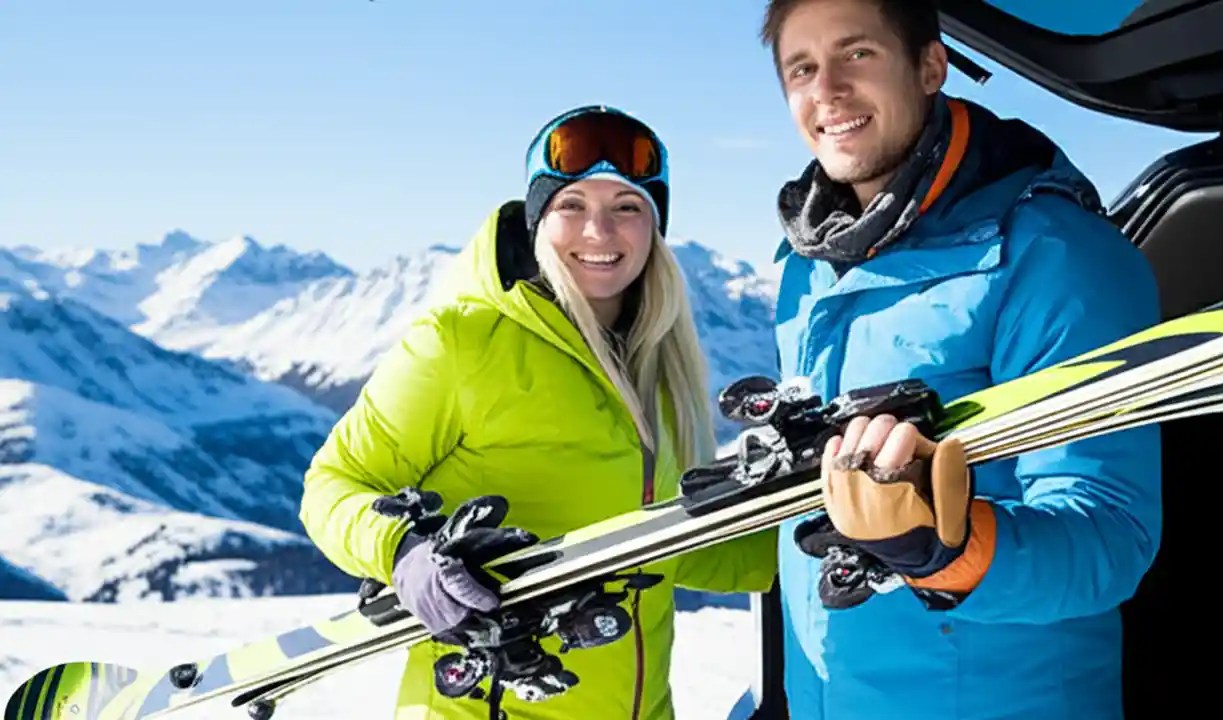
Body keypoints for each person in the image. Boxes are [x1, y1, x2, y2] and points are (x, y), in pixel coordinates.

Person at [297, 104, 778, 720]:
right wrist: (404, 552)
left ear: (654, 231)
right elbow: (331, 487)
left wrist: (814, 540)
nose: (599, 233)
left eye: (627, 208)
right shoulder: (462, 342)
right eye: (571, 205)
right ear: (536, 220)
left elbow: (669, 547)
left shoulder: (654, 365)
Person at [755, 0, 1163, 718]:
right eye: (802, 69)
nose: (827, 91)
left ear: (930, 66)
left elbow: (1109, 536)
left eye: (857, 55)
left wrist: (946, 549)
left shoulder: (1053, 255)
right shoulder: (805, 268)